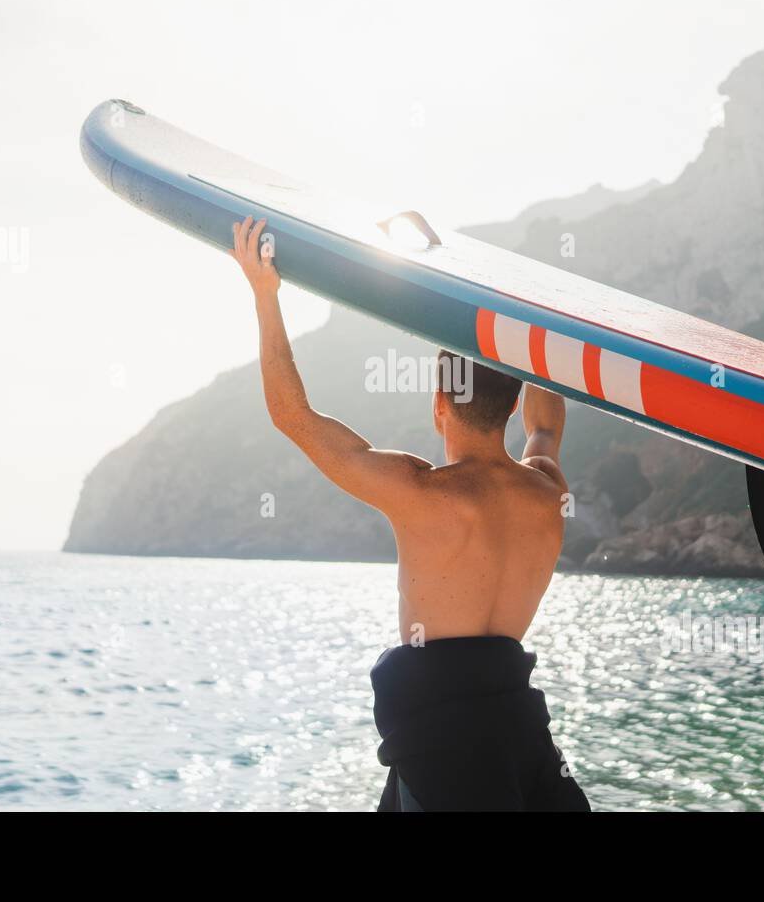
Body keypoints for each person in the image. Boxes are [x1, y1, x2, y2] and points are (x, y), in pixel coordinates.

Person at [230, 215, 590, 811]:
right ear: (513, 402)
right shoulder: (547, 491)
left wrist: (265, 294)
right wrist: (534, 340)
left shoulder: (416, 490)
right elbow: (546, 427)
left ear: (440, 401)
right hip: (523, 741)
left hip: (446, 758)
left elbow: (293, 417)